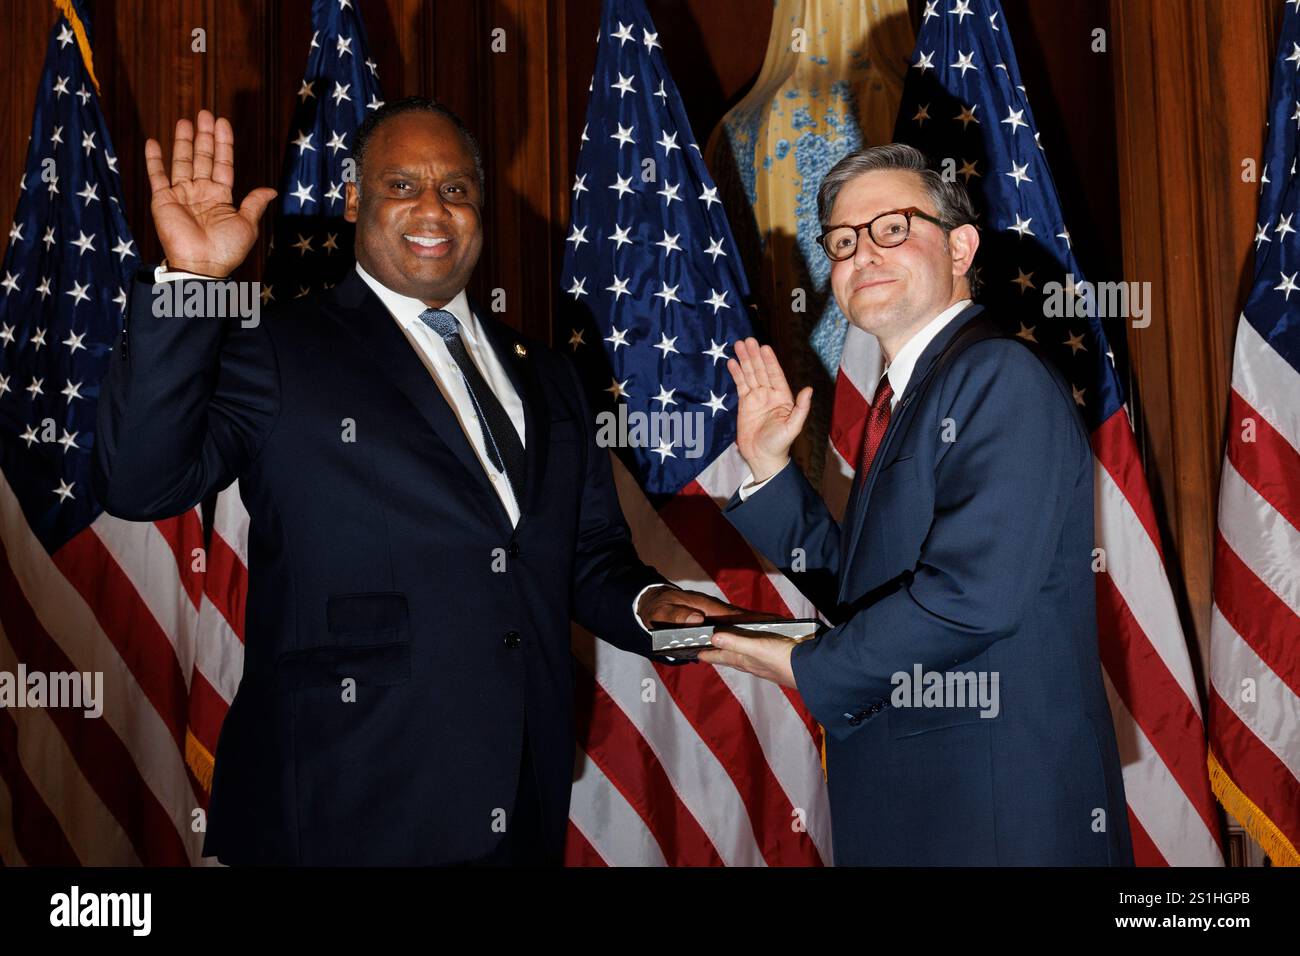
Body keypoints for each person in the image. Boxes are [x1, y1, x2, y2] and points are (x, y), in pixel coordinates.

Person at [92, 99, 732, 866]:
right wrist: (193, 281)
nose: (434, 208)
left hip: (517, 799)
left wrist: (646, 602)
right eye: (403, 185)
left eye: (456, 189)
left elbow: (585, 554)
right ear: (356, 200)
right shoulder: (280, 348)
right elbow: (140, 483)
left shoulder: (554, 374)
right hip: (338, 803)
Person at [699, 143, 1133, 866]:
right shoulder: (920, 392)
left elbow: (971, 597)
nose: (862, 251)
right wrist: (770, 468)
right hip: (925, 811)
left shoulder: (996, 373)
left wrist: (809, 667)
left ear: (961, 246)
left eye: (892, 227)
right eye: (842, 241)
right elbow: (867, 590)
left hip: (993, 821)